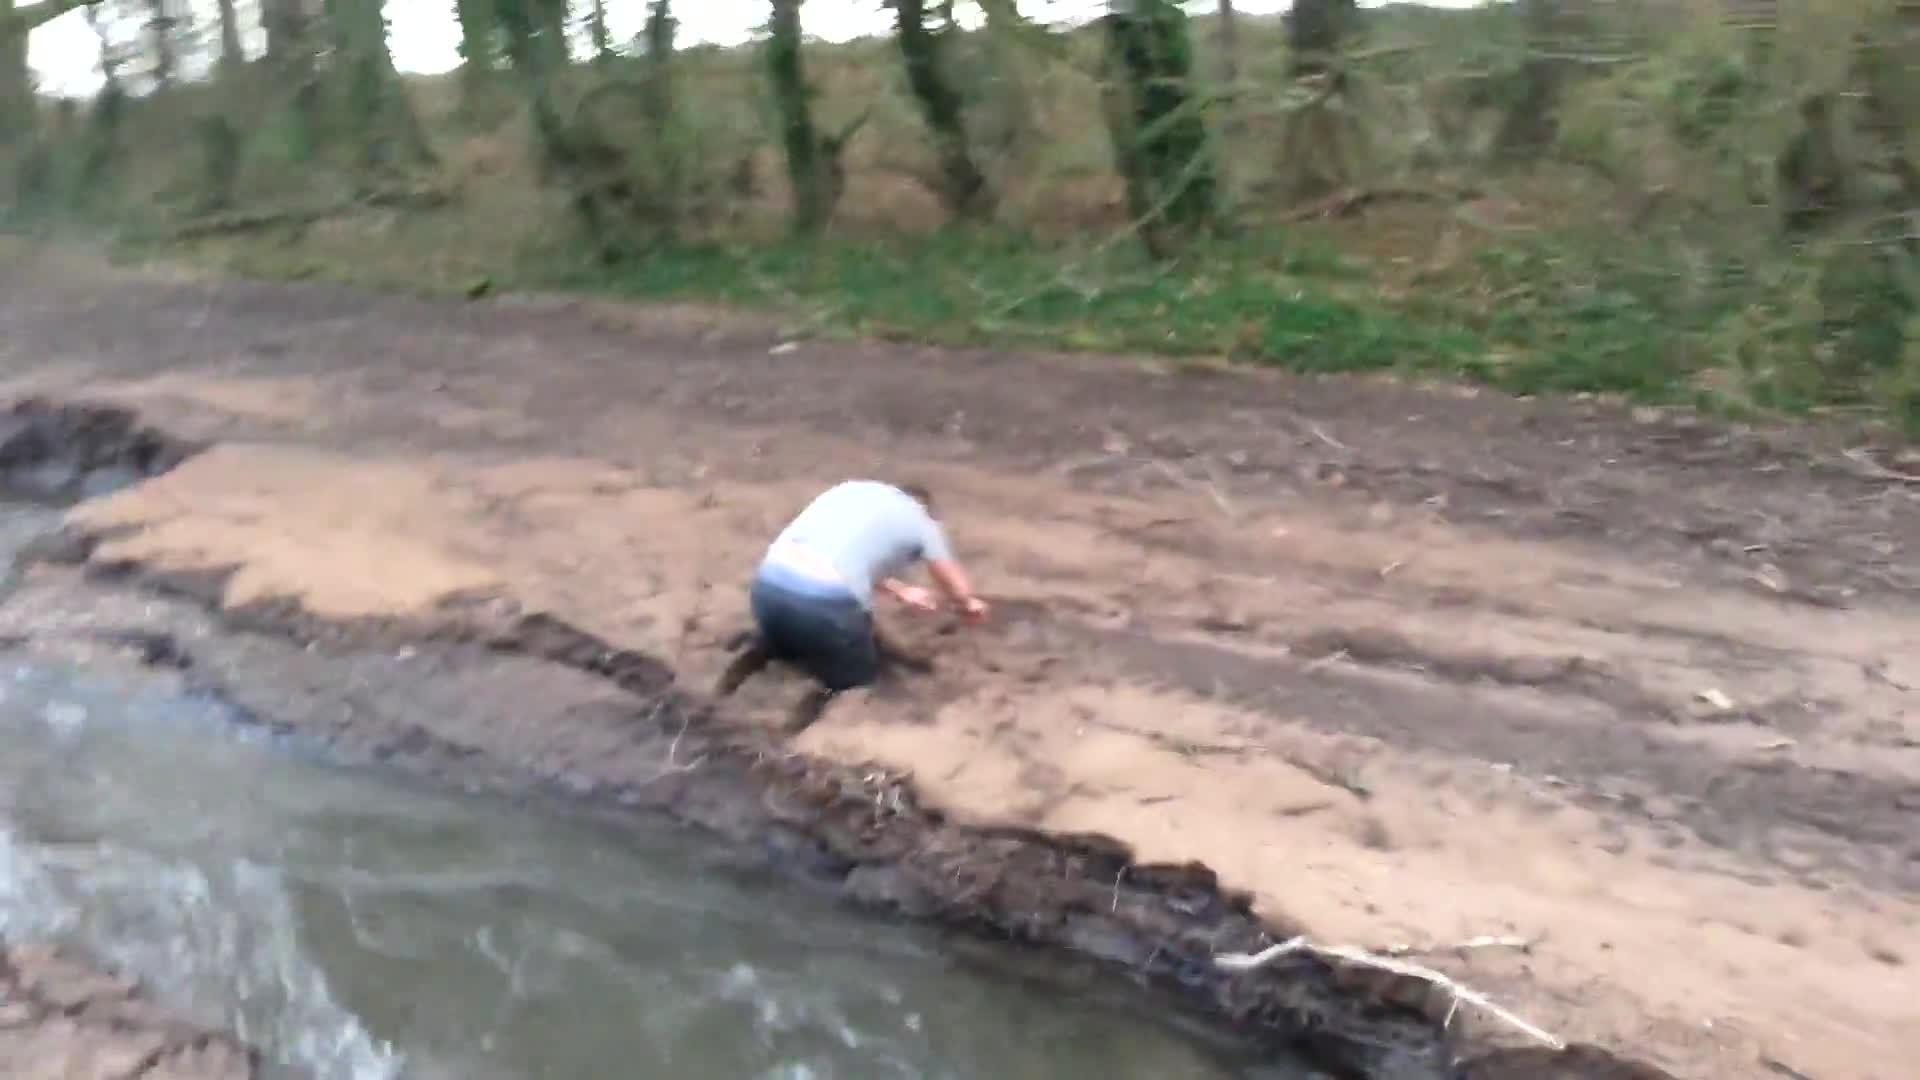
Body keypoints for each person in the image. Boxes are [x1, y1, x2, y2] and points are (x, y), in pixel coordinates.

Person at [715, 479, 989, 731]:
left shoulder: (850, 491)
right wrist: (968, 603)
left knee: (779, 644)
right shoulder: (922, 521)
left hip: (768, 584)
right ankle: (791, 736)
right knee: (854, 681)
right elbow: (952, 580)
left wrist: (901, 591)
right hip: (825, 605)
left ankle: (719, 696)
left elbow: (842, 555)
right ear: (926, 509)